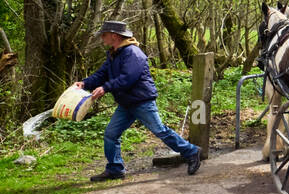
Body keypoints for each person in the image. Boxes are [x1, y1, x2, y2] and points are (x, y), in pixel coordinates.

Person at [75, 20, 201, 182]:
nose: (102, 38)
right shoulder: (114, 53)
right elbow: (102, 74)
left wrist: (105, 88)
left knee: (160, 131)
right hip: (127, 103)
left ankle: (191, 152)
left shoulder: (133, 53)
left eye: (104, 35)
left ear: (114, 36)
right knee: (111, 134)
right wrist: (85, 83)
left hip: (142, 101)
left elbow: (128, 78)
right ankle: (115, 169)